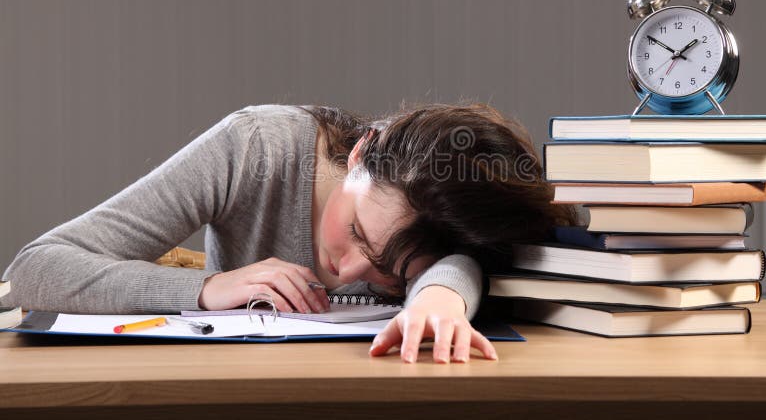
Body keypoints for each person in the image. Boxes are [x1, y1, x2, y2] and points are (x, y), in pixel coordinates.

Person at [2, 102, 575, 363]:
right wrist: (205, 289)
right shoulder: (256, 149)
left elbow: (464, 263)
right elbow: (33, 270)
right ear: (360, 154)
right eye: (355, 230)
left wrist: (439, 296)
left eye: (391, 272)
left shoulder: (446, 222)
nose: (350, 270)